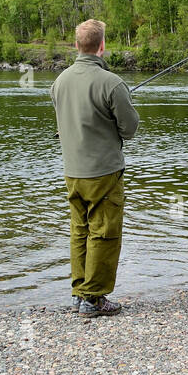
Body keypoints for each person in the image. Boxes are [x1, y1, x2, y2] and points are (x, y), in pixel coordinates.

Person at [50, 19, 140, 316]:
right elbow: (129, 129)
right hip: (103, 172)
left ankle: (79, 293)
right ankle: (94, 299)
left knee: (80, 230)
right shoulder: (112, 83)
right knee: (104, 231)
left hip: (72, 173)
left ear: (77, 46)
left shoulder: (59, 82)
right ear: (102, 46)